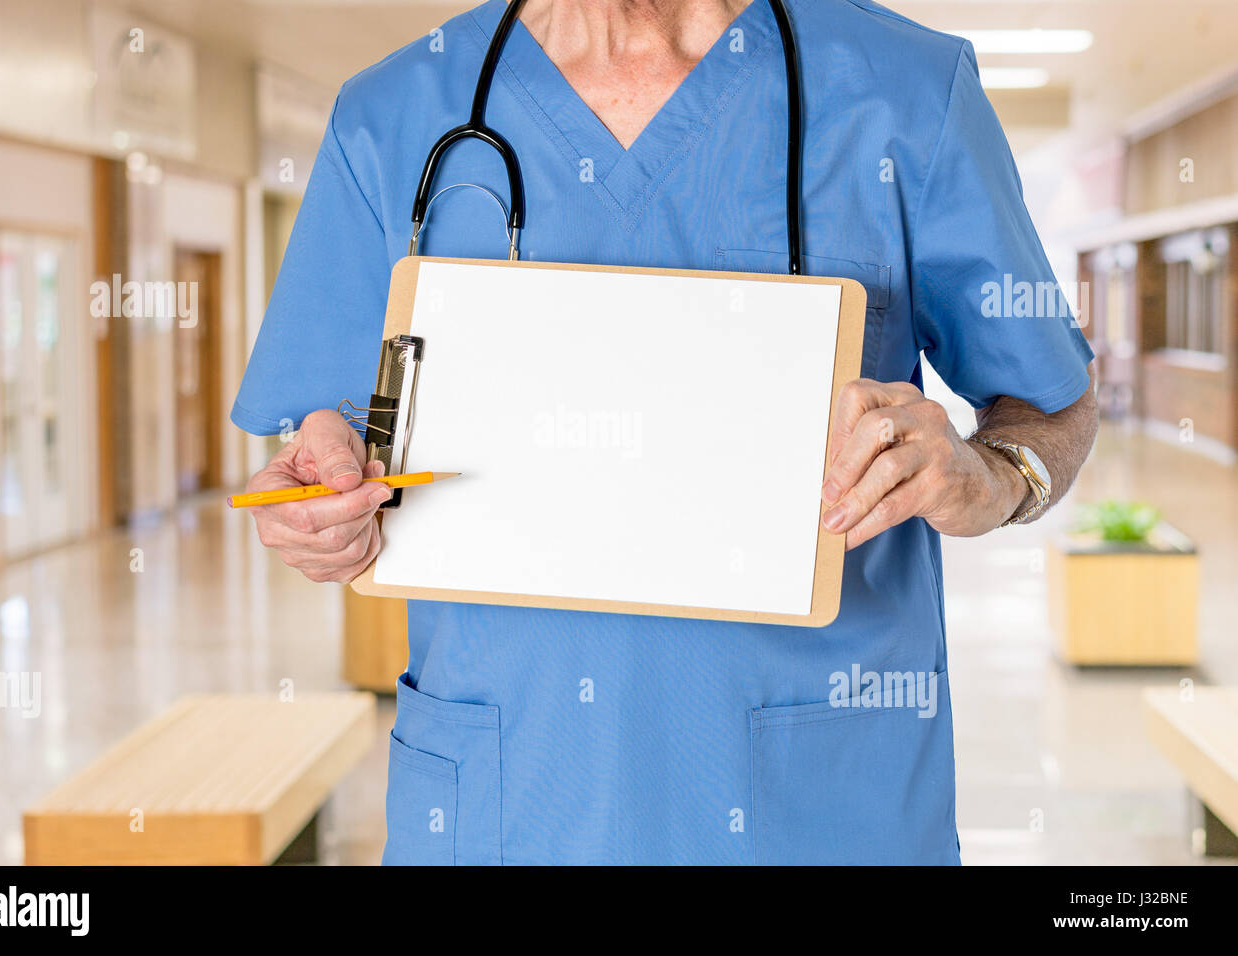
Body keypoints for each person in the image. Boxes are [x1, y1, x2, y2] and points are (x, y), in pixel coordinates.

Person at [232, 0, 1097, 864]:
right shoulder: (393, 113)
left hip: (821, 802)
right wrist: (319, 509)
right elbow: (324, 436)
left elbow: (1051, 403)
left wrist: (989, 478)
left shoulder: (904, 89)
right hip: (509, 795)